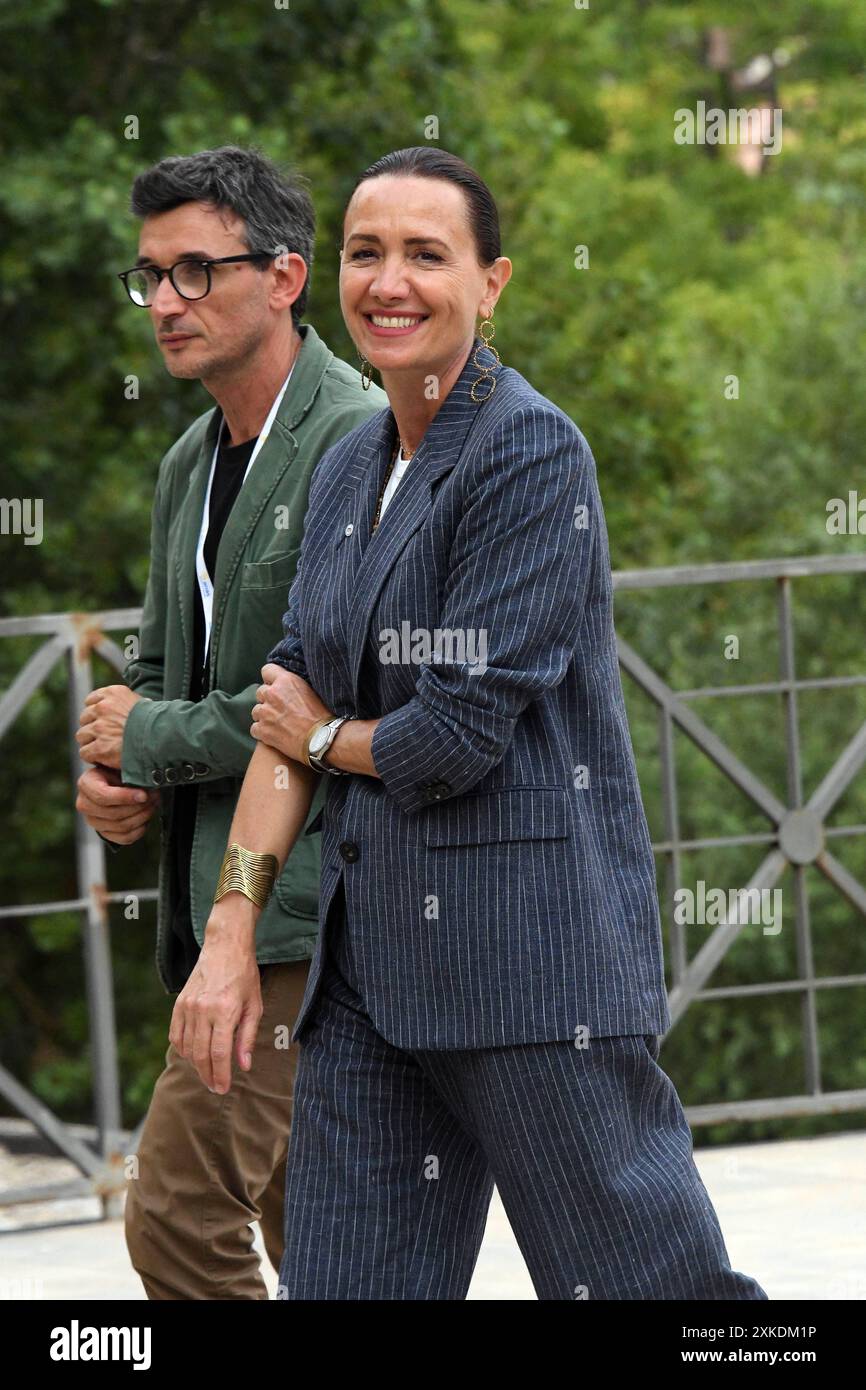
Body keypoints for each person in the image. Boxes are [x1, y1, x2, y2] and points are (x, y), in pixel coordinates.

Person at [172, 146, 768, 1301]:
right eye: (364, 252)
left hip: (531, 978)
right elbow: (281, 706)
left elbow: (447, 738)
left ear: (489, 283)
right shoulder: (349, 468)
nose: (388, 281)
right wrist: (230, 936)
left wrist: (317, 735)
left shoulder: (531, 452)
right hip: (365, 985)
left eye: (424, 255)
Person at [73, 145, 385, 1299]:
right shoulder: (185, 461)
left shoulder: (358, 438)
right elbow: (160, 675)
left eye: (196, 271)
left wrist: (143, 734)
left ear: (286, 275)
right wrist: (121, 781)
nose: (164, 302)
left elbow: (308, 704)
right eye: (150, 276)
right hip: (215, 906)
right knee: (323, 1241)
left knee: (175, 1220)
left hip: (309, 908)